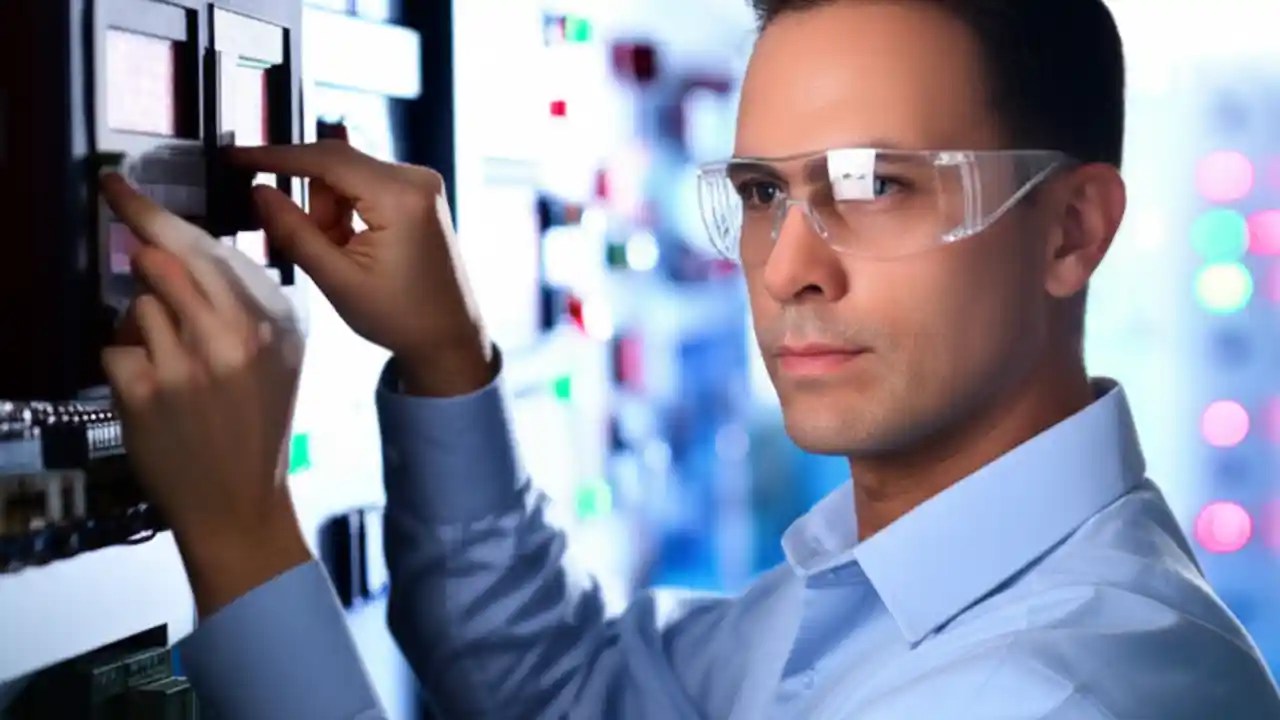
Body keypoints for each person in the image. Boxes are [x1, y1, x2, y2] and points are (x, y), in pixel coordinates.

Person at [98, 0, 1280, 718]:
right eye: (764, 193)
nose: (785, 270)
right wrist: (446, 355)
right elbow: (554, 693)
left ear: (1069, 230)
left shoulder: (1045, 694)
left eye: (872, 186)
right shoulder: (884, 593)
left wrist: (245, 534)